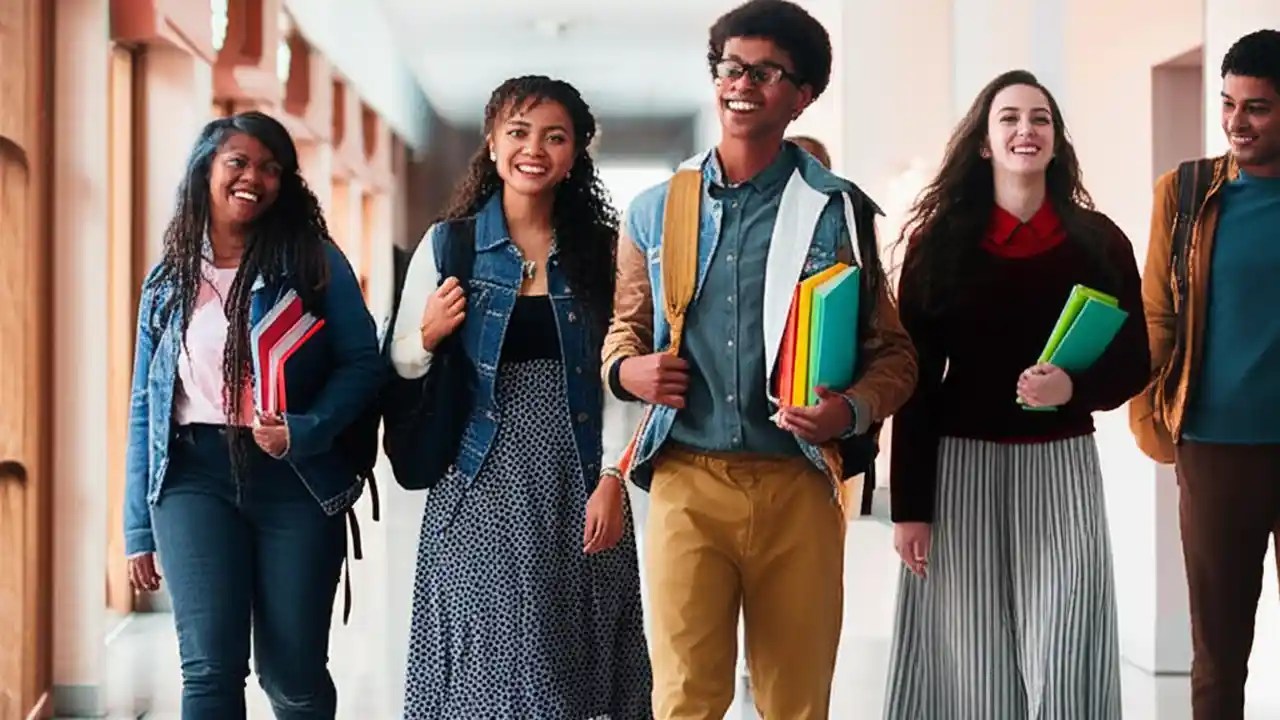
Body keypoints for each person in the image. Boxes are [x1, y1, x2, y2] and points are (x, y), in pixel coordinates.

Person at [601, 2, 918, 717]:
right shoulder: (655, 210)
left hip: (799, 485)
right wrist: (627, 371)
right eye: (731, 67)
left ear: (802, 95)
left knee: (796, 697)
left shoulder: (839, 213)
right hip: (687, 478)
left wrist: (847, 410)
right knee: (685, 694)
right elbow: (626, 330)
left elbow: (895, 355)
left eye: (766, 72)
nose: (741, 84)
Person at [882, 69, 1150, 719]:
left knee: (1066, 646)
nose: (1025, 130)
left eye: (1040, 119)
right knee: (973, 659)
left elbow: (1136, 360)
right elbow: (915, 379)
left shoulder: (1099, 241)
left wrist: (1074, 388)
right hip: (960, 466)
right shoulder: (938, 243)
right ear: (984, 141)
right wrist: (908, 507)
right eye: (1009, 118)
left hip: (1061, 465)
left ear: (1056, 142)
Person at [389, 76, 651, 719]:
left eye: (554, 137)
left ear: (575, 153)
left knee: (567, 656)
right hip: (476, 479)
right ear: (492, 140)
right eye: (519, 131)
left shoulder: (603, 252)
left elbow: (619, 377)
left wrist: (615, 478)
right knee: (486, 651)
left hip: (577, 478)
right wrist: (427, 334)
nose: (534, 148)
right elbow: (400, 357)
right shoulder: (448, 244)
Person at [122, 111, 383, 719]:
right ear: (206, 171)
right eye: (237, 162)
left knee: (291, 675)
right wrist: (137, 524)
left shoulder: (313, 264)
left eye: (271, 168)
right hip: (191, 477)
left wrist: (306, 429)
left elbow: (362, 366)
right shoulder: (169, 282)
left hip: (294, 478)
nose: (253, 178)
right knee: (209, 671)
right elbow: (145, 406)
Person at [1130, 29, 1280, 720]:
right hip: (1215, 445)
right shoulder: (1187, 193)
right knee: (1218, 656)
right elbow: (1156, 314)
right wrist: (1153, 420)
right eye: (1229, 104)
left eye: (1258, 107)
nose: (1237, 122)